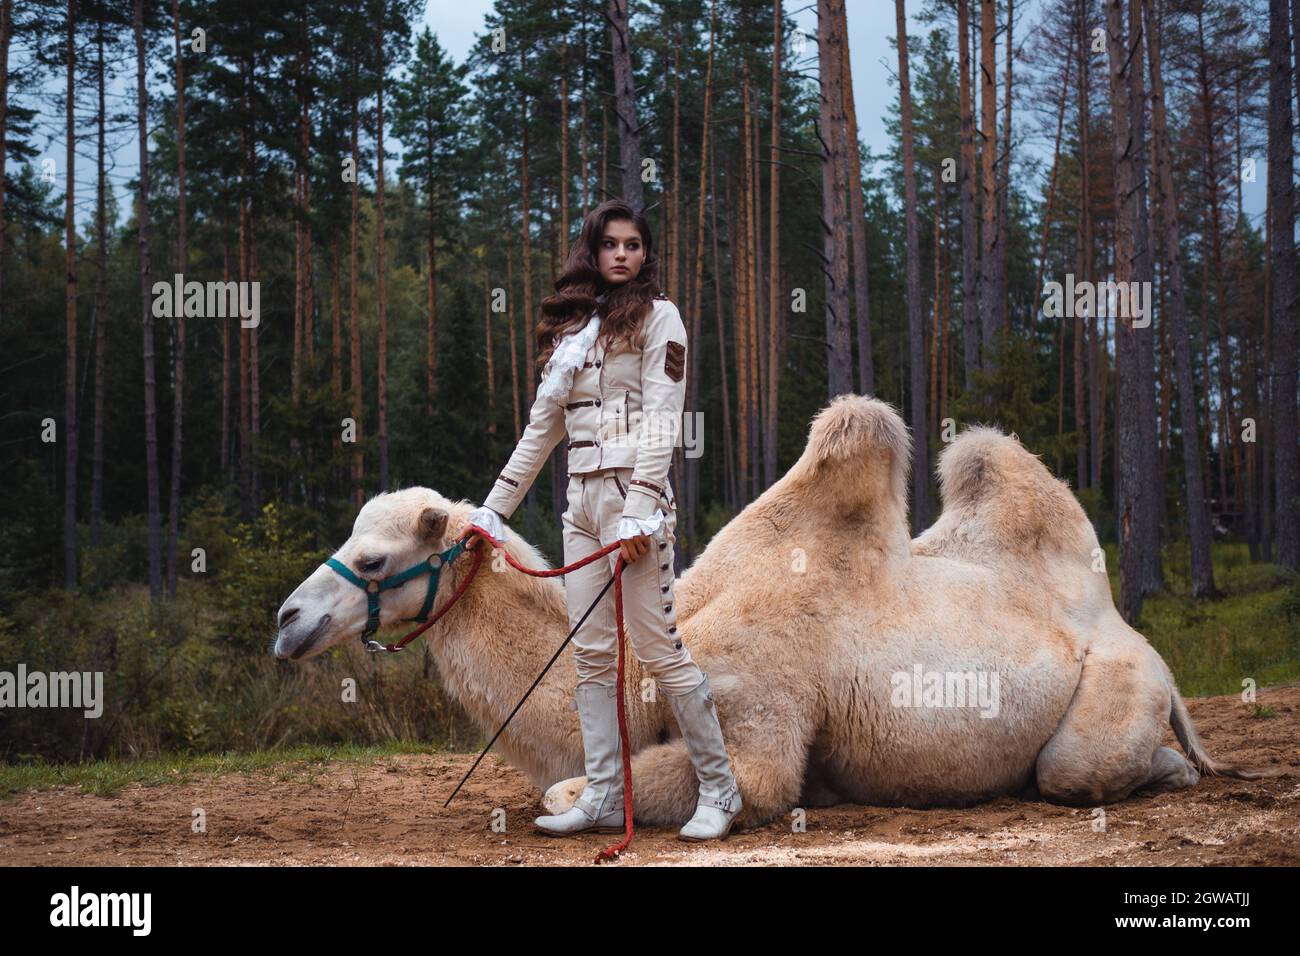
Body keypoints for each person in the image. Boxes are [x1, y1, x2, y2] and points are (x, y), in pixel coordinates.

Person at [461, 199, 742, 841]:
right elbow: (540, 434)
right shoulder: (573, 334)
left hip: (632, 502)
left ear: (646, 253)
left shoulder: (659, 317)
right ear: (593, 251)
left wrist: (641, 510)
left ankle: (721, 790)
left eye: (634, 245)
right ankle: (604, 796)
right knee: (590, 657)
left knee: (660, 652)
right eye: (611, 244)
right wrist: (492, 512)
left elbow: (663, 419)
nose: (623, 254)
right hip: (580, 505)